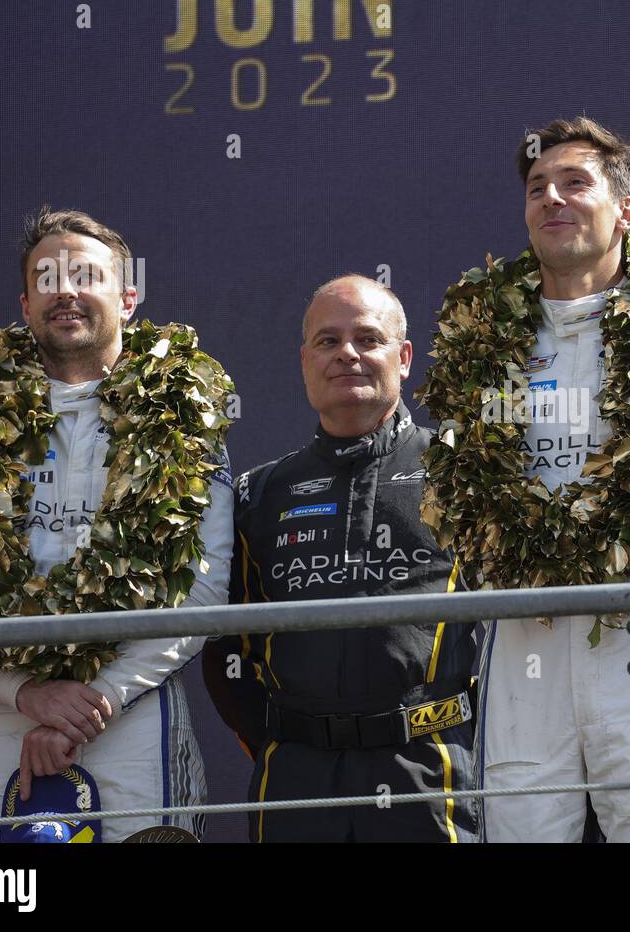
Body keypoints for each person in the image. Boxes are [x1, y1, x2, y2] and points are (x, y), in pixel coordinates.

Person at [422, 117, 630, 842]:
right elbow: (459, 505)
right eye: (538, 187)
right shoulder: (478, 340)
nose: (552, 198)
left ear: (626, 211)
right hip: (521, 653)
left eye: (575, 182)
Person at [0, 207, 233, 842]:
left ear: (128, 298)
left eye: (86, 274)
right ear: (25, 305)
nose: (67, 290)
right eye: (47, 278)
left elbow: (205, 595)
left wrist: (96, 700)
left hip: (131, 713)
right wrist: (27, 696)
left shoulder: (186, 419)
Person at [202, 275, 478, 843]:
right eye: (327, 341)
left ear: (403, 359)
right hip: (295, 779)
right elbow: (225, 650)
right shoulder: (258, 494)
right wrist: (293, 737)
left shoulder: (466, 471)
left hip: (430, 773)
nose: (347, 353)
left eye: (367, 338)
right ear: (305, 362)